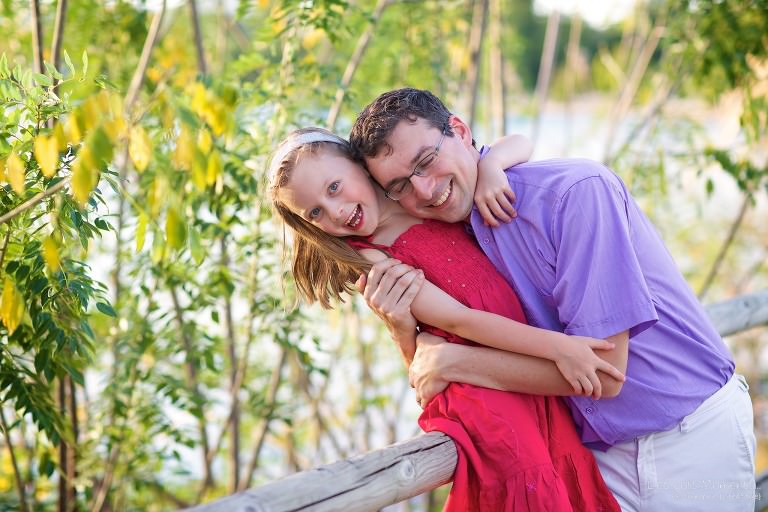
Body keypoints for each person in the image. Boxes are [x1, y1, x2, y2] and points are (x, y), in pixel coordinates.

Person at [348, 87, 757, 512]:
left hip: (691, 436)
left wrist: (454, 362)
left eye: (427, 162)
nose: (425, 190)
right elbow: (431, 385)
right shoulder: (444, 240)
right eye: (400, 186)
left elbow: (603, 374)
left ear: (460, 131)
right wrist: (402, 331)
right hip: (591, 454)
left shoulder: (575, 194)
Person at [268, 127, 622, 511]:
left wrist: (490, 167)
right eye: (315, 212)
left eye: (334, 187)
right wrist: (560, 347)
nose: (335, 210)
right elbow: (460, 320)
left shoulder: (422, 196)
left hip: (516, 369)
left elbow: (520, 141)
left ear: (359, 164)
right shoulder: (373, 258)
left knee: (561, 468)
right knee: (530, 484)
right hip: (481, 388)